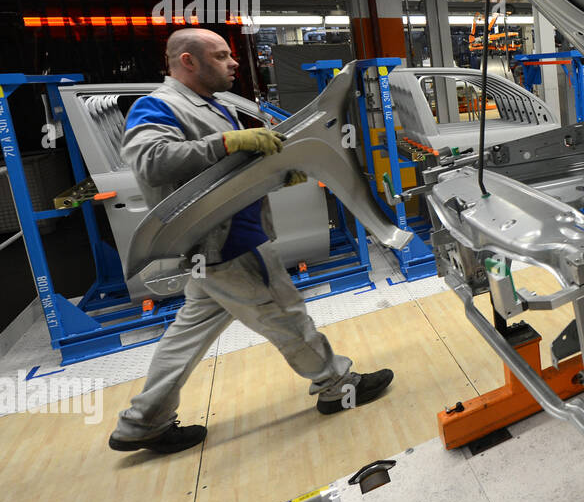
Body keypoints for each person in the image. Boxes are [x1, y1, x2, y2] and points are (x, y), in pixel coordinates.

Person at [108, 28, 393, 454]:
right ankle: (336, 384)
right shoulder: (160, 105)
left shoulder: (212, 105)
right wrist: (226, 141)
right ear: (188, 61)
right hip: (227, 244)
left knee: (186, 335)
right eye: (222, 56)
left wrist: (276, 175)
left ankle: (142, 422)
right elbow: (151, 162)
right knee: (285, 314)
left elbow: (227, 177)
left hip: (211, 248)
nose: (234, 62)